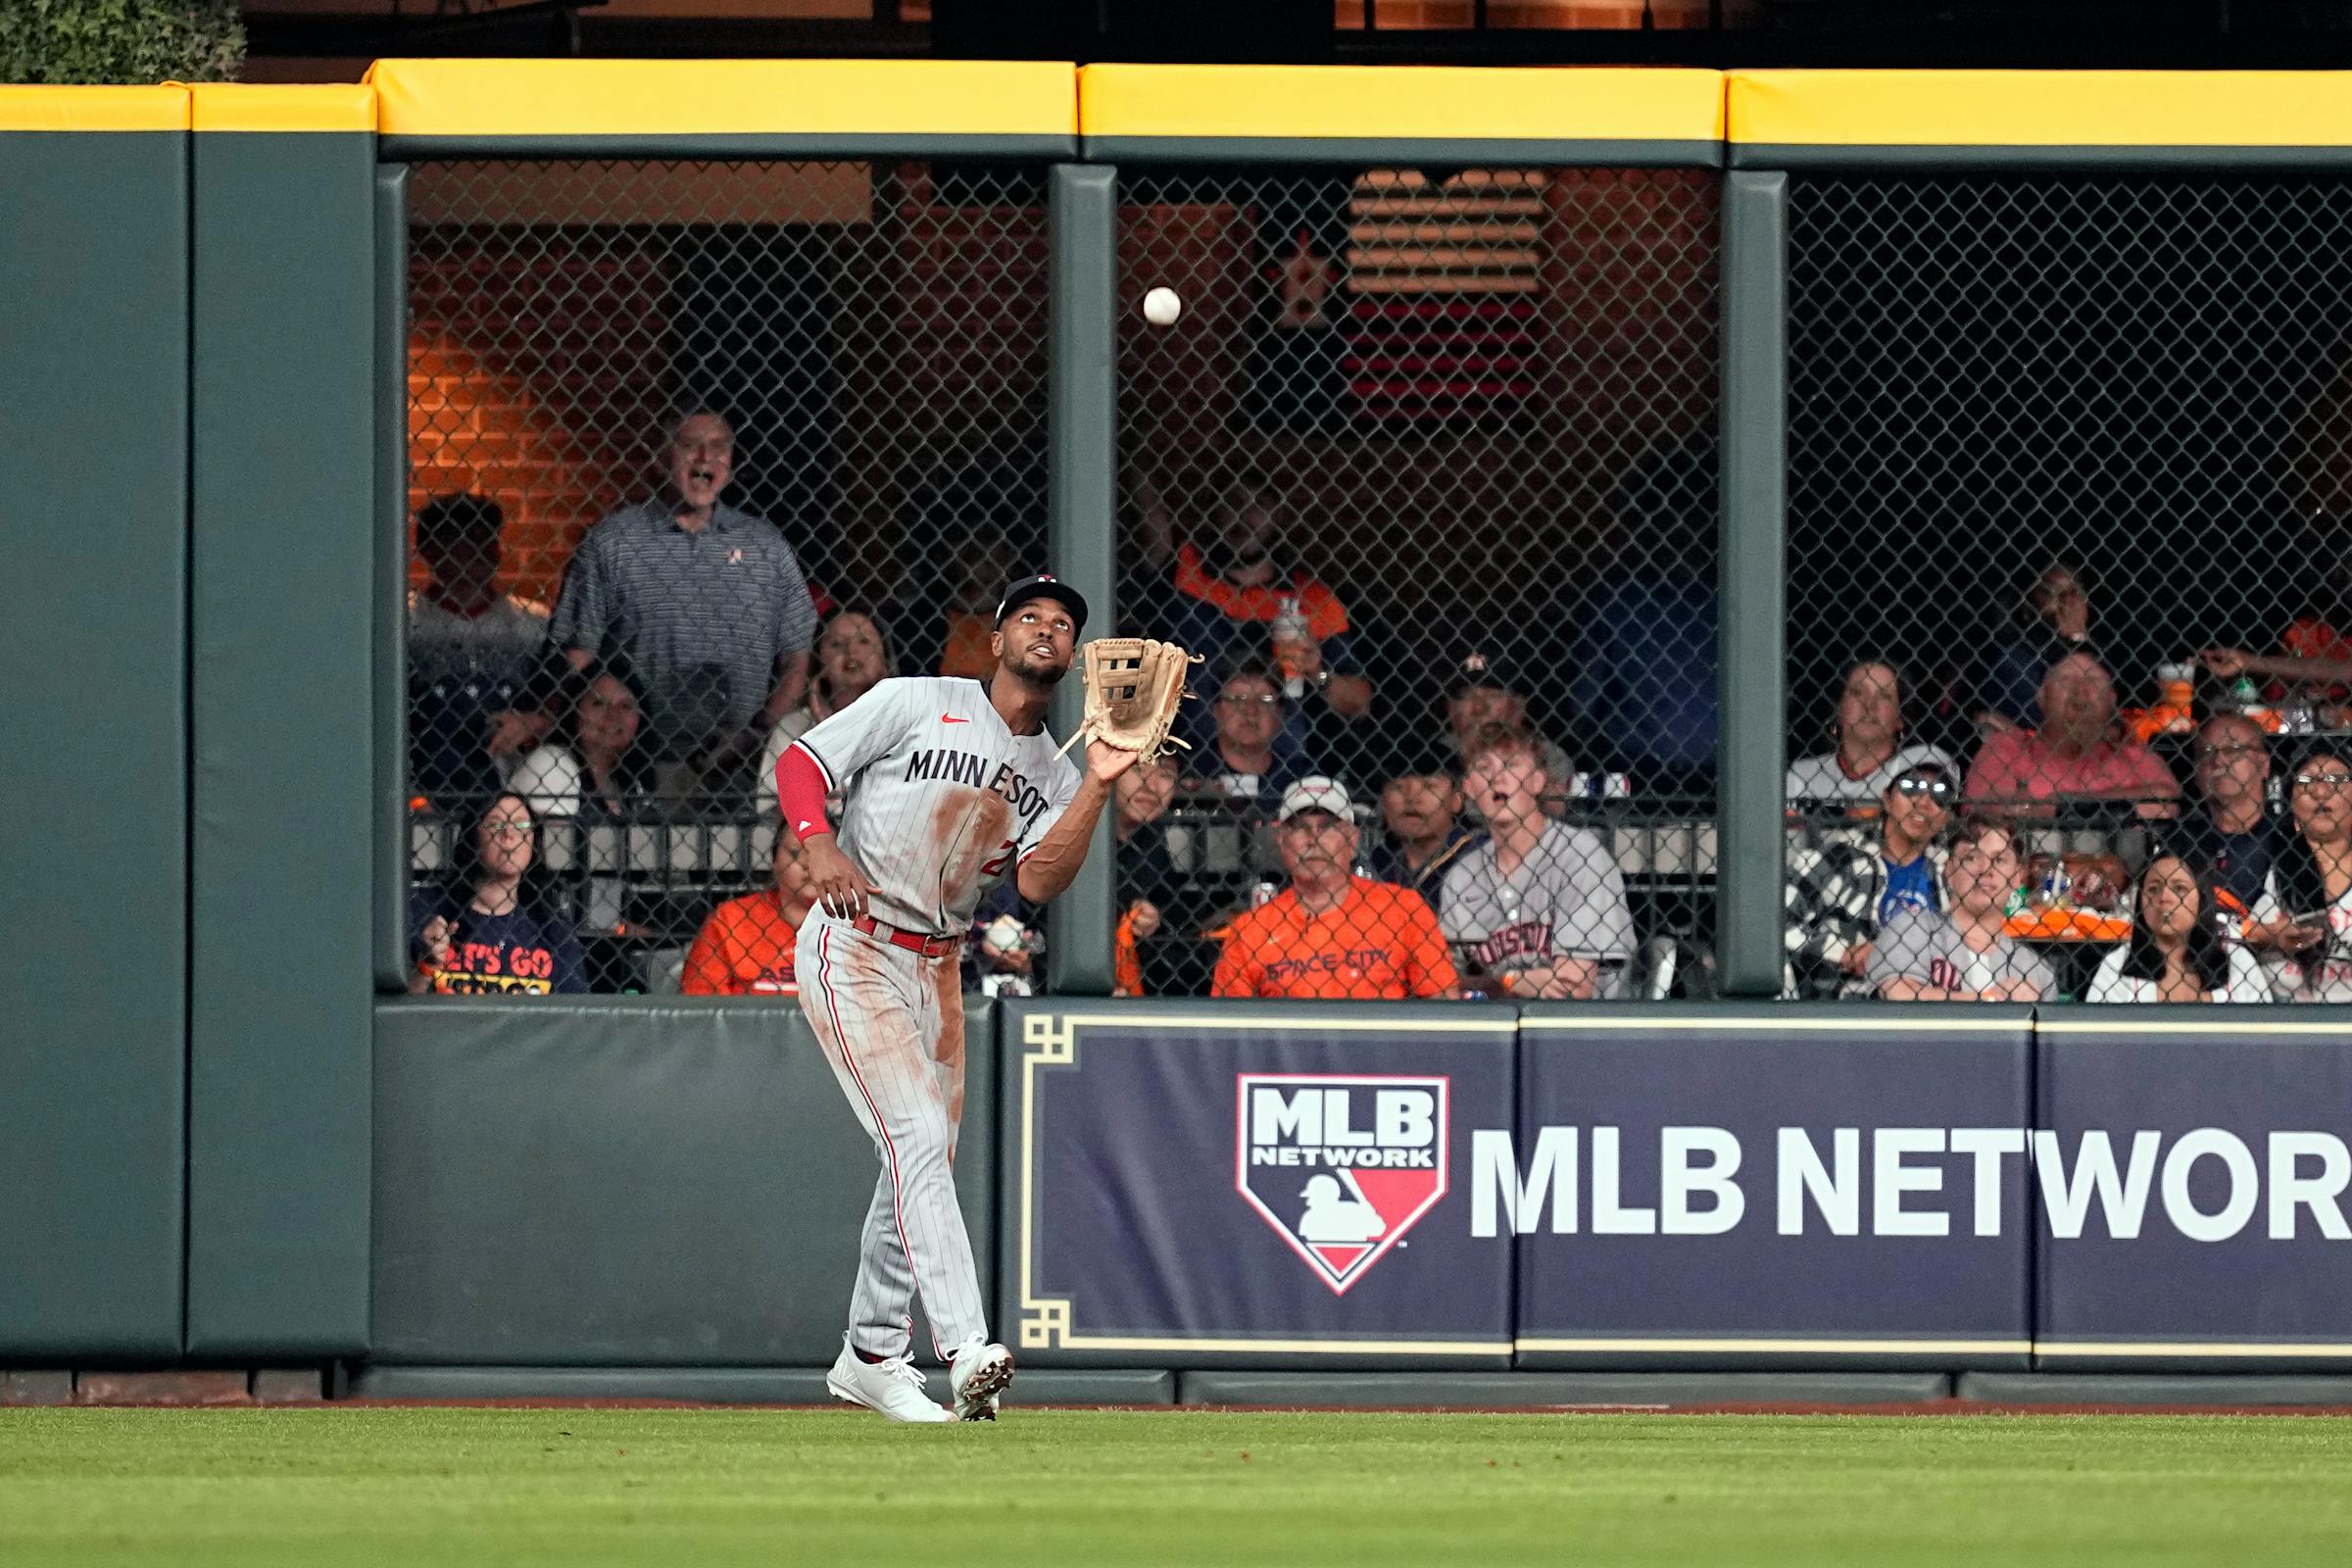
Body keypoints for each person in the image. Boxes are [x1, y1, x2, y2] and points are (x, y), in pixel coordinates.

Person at [774, 572, 1119, 1424]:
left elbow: (1039, 882)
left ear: (1073, 655)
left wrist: (1099, 783)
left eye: (1062, 623)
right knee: (919, 1139)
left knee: (916, 1159)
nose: (1046, 628)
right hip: (856, 941)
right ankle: (967, 1349)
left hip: (938, 967)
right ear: (996, 641)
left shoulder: (1055, 769)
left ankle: (870, 1357)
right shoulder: (915, 699)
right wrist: (816, 841)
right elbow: (802, 762)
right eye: (1029, 617)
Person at [532, 409, 819, 796]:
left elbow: (797, 657)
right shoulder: (613, 542)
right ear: (660, 456)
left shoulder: (766, 546)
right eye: (689, 445)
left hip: (746, 762)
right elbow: (578, 656)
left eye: (718, 447)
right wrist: (600, 741)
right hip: (636, 763)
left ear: (731, 461)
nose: (705, 457)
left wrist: (758, 733)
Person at [1136, 477, 1372, 752]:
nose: (1243, 515)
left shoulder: (1312, 599)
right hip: (1188, 753)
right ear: (1215, 512)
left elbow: (1359, 703)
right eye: (1233, 502)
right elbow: (1148, 511)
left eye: (1259, 505)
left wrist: (1316, 671)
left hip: (1285, 760)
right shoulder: (1185, 572)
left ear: (1278, 515)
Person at [1211, 777, 1458, 1001]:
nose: (1313, 839)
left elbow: (1442, 1004)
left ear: (1352, 838)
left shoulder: (1403, 908)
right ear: (1281, 839)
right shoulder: (1249, 931)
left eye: (1327, 826)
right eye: (1300, 827)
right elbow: (1230, 1026)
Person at [1441, 727, 1633, 1000]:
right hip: (1493, 1022)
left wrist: (1488, 986)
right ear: (1469, 787)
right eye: (1484, 768)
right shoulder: (1462, 876)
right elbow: (1443, 985)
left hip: (1586, 1022)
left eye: (1512, 765)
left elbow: (1572, 988)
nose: (1498, 777)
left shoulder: (1580, 857)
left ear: (1537, 781)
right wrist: (1511, 981)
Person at [407, 494, 553, 808]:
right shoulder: (404, 621)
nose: (470, 553)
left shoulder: (533, 624)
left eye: (481, 540)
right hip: (421, 779)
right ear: (429, 551)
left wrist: (536, 721)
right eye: (454, 542)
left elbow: (565, 701)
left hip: (510, 779)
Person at [1784, 761, 1955, 1000]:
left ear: (1947, 816)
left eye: (1940, 795)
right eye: (1911, 786)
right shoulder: (1843, 856)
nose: (1924, 802)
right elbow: (1775, 919)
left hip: (1930, 1006)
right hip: (1845, 1004)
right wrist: (1844, 953)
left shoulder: (1951, 871)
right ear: (1886, 798)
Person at [408, 793, 586, 997]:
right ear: (473, 838)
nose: (509, 834)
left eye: (521, 825)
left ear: (533, 840)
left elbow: (574, 1005)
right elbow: (398, 1005)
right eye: (495, 824)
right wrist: (427, 966)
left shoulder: (552, 925)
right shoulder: (427, 909)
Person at [1963, 653, 2180, 819]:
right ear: (2042, 697)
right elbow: (1986, 808)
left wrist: (2064, 805)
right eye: (2065, 680)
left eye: (2093, 681)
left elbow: (2166, 801)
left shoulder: (2130, 753)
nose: (2080, 689)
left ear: (2111, 699)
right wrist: (2114, 807)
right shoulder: (2008, 746)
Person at [1869, 818, 2055, 1003]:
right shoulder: (1911, 928)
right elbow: (1898, 992)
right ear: (1949, 870)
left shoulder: (2035, 970)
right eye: (1971, 858)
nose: (1985, 869)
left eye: (1999, 860)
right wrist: (1989, 1001)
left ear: (2017, 876)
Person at [756, 610, 894, 816]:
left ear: (883, 661)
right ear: (820, 660)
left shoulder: (904, 722)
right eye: (837, 644)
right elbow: (770, 809)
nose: (852, 651)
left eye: (864, 642)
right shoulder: (794, 725)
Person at [2086, 854, 2271, 1004]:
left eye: (2179, 889)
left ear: (2202, 899)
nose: (2164, 897)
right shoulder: (2117, 964)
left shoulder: (2238, 960)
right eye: (2153, 889)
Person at [1786, 659, 1958, 807]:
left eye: (1884, 696)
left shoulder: (1921, 765)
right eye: (1858, 693)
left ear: (1901, 718)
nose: (1870, 704)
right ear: (1838, 710)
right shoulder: (1801, 776)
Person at [2251, 748, 2352, 999]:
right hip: (2280, 1011)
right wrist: (2267, 936)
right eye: (2306, 780)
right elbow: (2221, 927)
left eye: (2337, 779)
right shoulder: (2263, 858)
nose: (2320, 791)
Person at [2160, 713, 2279, 917]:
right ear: (2196, 773)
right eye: (2207, 752)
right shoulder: (2178, 840)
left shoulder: (2289, 837)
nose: (2218, 760)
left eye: (2233, 749)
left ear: (2263, 765)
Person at [506, 663, 654, 823]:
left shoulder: (627, 782)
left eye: (625, 706)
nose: (612, 715)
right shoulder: (552, 763)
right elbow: (556, 838)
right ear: (575, 710)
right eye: (599, 703)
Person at [680, 828, 817, 997]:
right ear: (774, 862)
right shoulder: (731, 919)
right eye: (796, 853)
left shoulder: (849, 923)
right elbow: (700, 1001)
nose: (809, 863)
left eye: (822, 852)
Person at [1978, 560, 2094, 731]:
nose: (2068, 602)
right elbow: (2050, 720)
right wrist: (2074, 638)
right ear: (2028, 604)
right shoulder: (2013, 660)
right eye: (2055, 593)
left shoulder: (2096, 649)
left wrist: (2078, 637)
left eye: (2075, 592)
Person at [1190, 660, 1315, 808]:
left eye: (1265, 699)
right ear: (1216, 710)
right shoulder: (1189, 772)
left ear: (1280, 713)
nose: (1251, 710)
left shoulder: (1300, 779)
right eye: (1237, 698)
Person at [1372, 761, 1481, 914]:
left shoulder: (1481, 857)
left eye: (1429, 787)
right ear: (1383, 802)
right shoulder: (1374, 863)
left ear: (1457, 799)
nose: (1412, 798)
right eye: (1398, 787)